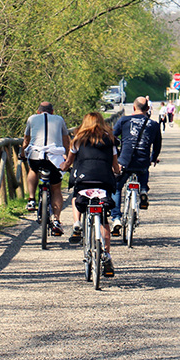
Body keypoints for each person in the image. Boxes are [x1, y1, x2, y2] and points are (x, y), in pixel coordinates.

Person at [60, 112, 121, 276]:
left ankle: (77, 223)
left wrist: (63, 167)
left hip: (84, 181)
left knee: (76, 198)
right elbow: (115, 167)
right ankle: (107, 254)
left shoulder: (78, 140)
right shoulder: (110, 140)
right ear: (102, 123)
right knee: (104, 220)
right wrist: (117, 171)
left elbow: (69, 162)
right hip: (103, 182)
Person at [110, 96, 162, 235]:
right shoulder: (154, 124)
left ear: (134, 107)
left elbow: (112, 137)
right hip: (142, 160)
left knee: (116, 188)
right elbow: (157, 146)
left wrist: (117, 152)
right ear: (148, 109)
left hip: (125, 160)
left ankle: (116, 218)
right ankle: (143, 190)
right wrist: (153, 159)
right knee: (144, 171)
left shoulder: (124, 121)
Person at [21, 102, 70, 236]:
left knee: (32, 169)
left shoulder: (31, 119)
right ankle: (57, 220)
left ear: (38, 111)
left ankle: (31, 200)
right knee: (56, 188)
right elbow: (66, 141)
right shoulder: (59, 119)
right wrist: (68, 157)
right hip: (54, 158)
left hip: (36, 155)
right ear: (52, 111)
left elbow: (26, 139)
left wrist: (22, 153)